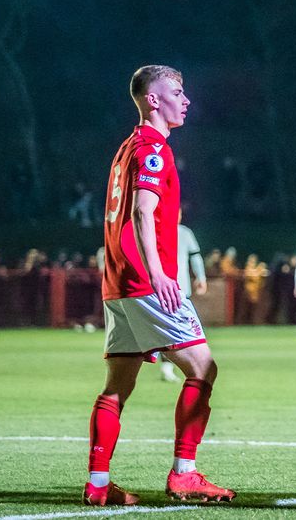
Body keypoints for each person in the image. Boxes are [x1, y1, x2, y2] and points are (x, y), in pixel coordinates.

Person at [86, 65, 234, 506]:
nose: (185, 100)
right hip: (145, 283)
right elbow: (141, 212)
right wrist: (157, 273)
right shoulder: (154, 148)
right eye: (177, 92)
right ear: (153, 100)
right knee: (203, 368)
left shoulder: (125, 148)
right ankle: (184, 473)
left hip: (118, 283)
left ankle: (97, 485)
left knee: (117, 386)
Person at [158, 208, 209, 382]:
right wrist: (201, 277)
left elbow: (195, 257)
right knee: (172, 329)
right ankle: (173, 365)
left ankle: (170, 364)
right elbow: (196, 257)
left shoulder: (184, 233)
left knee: (171, 328)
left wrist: (201, 276)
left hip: (178, 288)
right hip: (166, 288)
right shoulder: (160, 231)